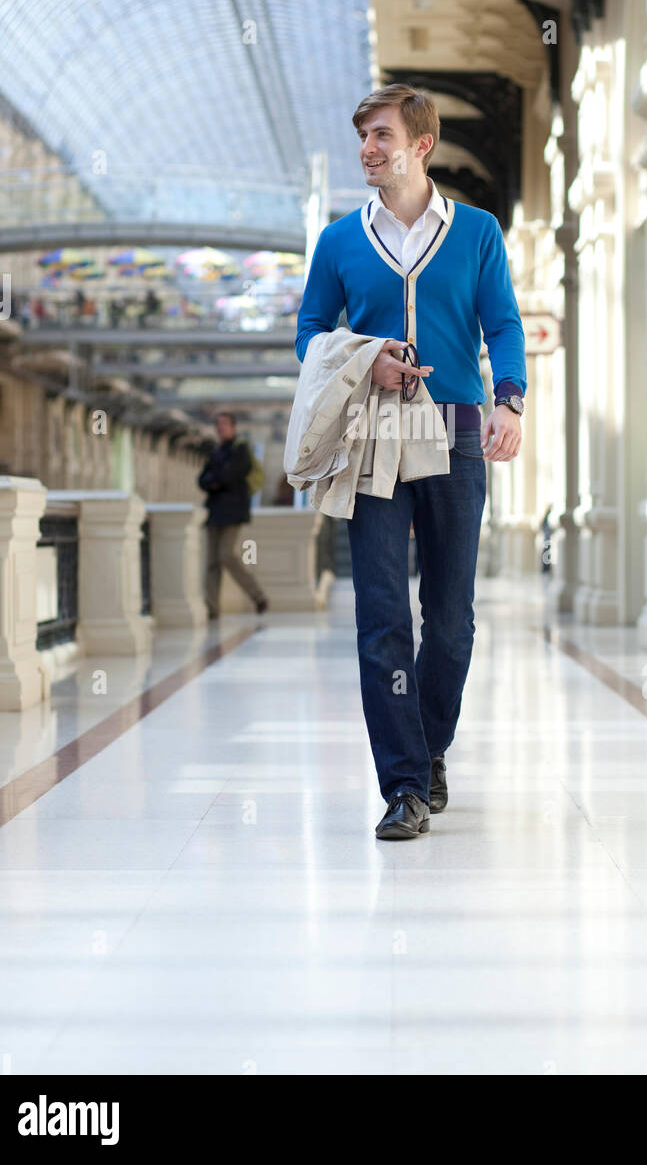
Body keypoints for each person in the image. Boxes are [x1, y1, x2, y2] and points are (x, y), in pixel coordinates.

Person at [295, 83, 526, 840]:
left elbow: (504, 323)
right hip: (372, 440)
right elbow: (308, 335)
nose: (367, 148)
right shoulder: (336, 242)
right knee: (383, 615)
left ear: (420, 145)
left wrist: (509, 402)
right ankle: (402, 784)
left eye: (380, 135)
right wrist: (364, 361)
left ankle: (429, 750)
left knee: (450, 621)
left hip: (458, 433)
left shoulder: (478, 231)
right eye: (362, 135)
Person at [198, 412, 269, 619]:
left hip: (232, 512)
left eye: (224, 424)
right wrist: (215, 480)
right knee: (212, 562)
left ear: (233, 427)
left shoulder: (241, 450)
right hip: (215, 511)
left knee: (226, 555)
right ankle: (212, 608)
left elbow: (231, 476)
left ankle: (257, 596)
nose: (221, 428)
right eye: (218, 424)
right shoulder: (216, 451)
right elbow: (202, 479)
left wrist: (215, 480)